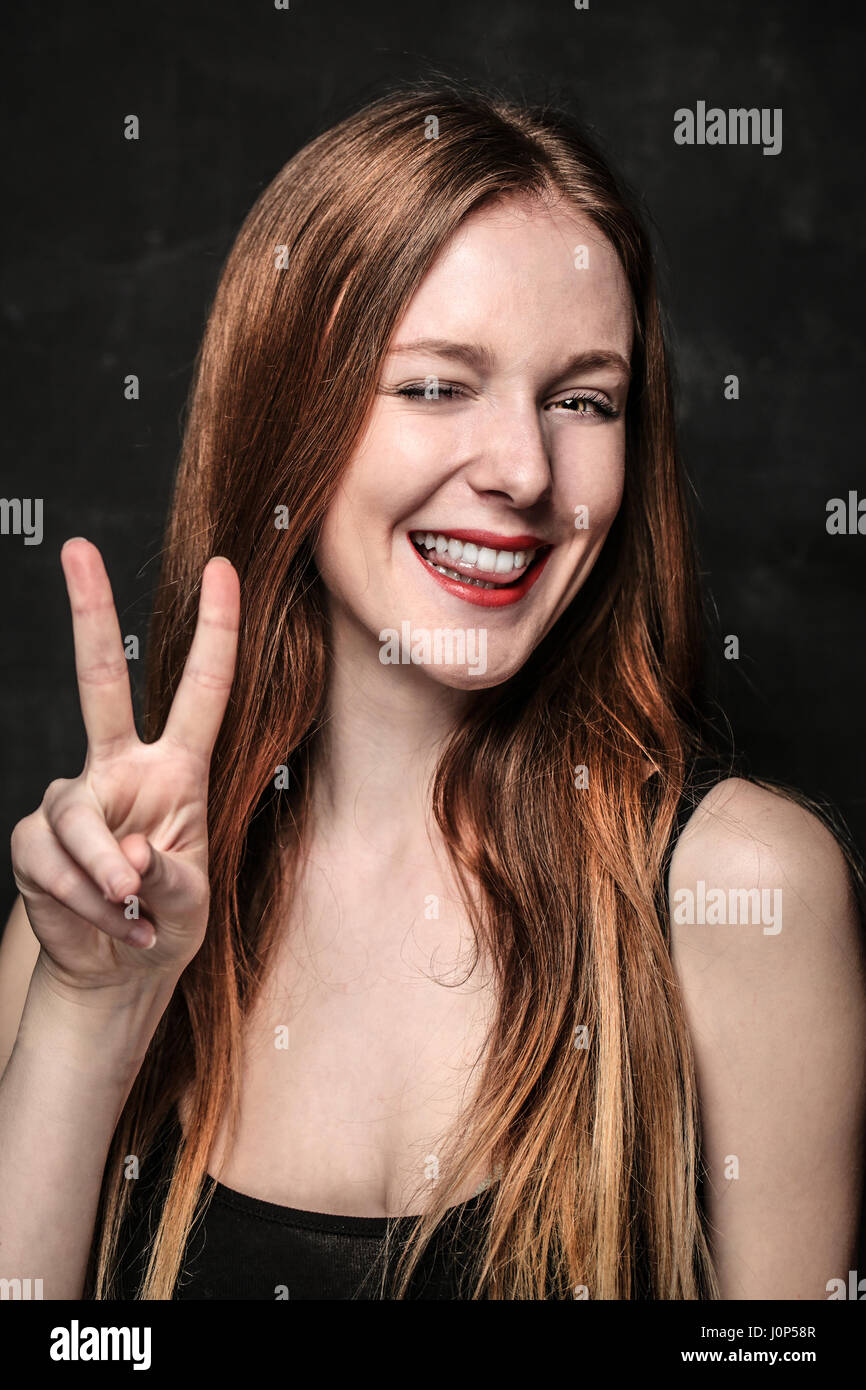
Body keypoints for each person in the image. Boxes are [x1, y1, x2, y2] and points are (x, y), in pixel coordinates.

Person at [1, 81, 864, 1301]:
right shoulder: (91, 929)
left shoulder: (740, 896)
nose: (522, 469)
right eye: (433, 386)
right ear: (287, 413)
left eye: (582, 400)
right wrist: (95, 1008)